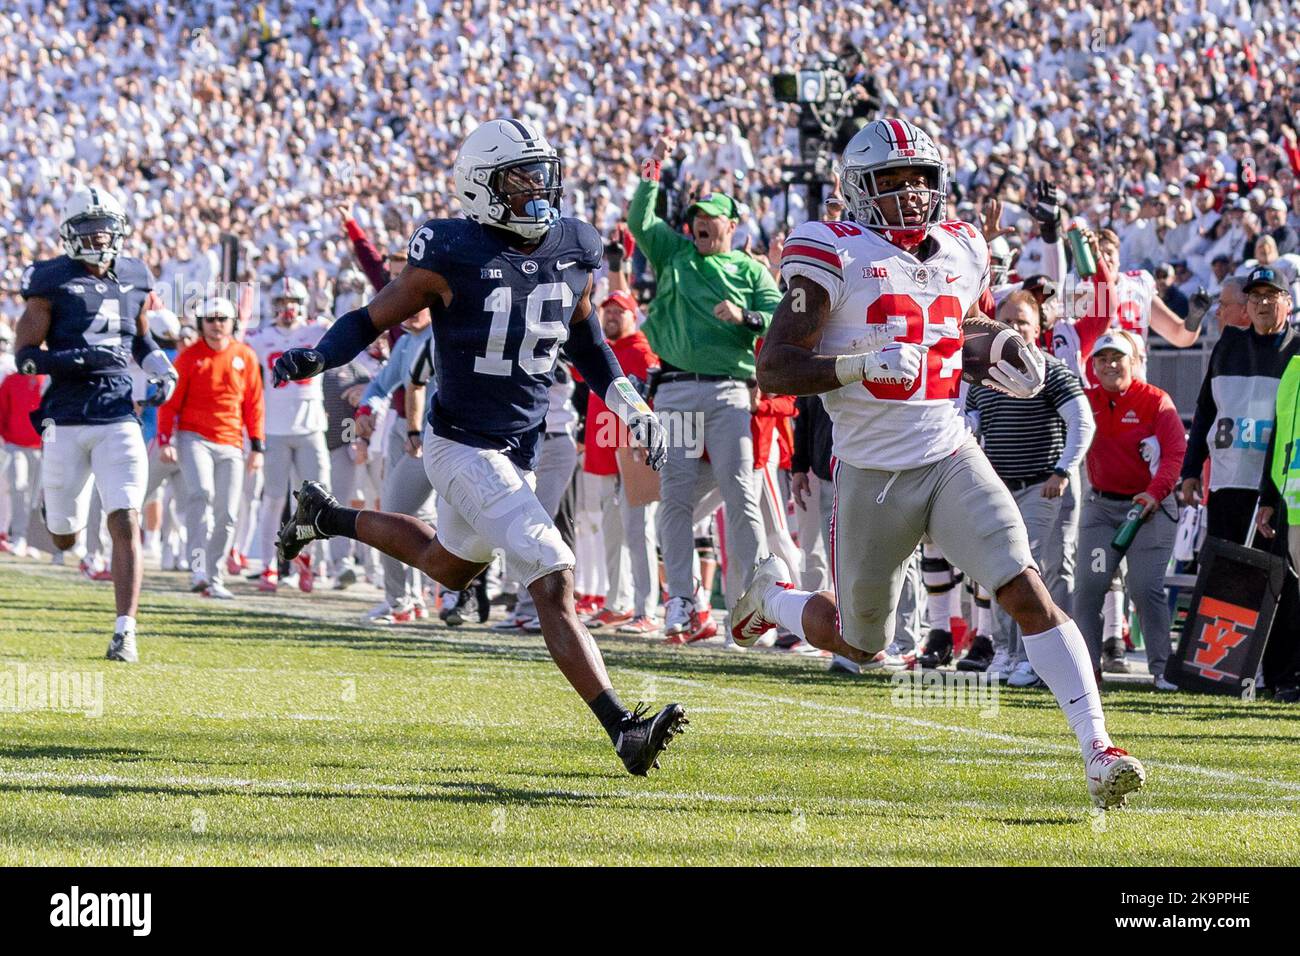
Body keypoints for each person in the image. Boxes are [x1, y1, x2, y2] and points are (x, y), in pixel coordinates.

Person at [734, 117, 1144, 809]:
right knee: (861, 645)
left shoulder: (961, 246)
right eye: (892, 181)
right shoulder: (830, 248)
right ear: (857, 189)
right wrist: (859, 365)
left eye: (921, 178)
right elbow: (774, 368)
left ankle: (1099, 750)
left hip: (949, 451)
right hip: (871, 472)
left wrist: (1003, 345)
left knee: (1024, 586)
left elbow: (961, 322)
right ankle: (772, 598)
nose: (912, 193)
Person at [269, 118, 686, 776]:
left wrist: (633, 407)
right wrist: (318, 356)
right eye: (520, 178)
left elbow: (587, 345)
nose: (537, 188)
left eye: (541, 174)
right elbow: (370, 317)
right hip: (459, 442)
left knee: (448, 566)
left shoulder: (577, 243)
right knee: (554, 574)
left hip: (517, 446)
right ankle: (622, 728)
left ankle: (324, 516)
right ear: (481, 187)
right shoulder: (451, 249)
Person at [13, 186, 178, 662]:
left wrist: (162, 369)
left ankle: (126, 630)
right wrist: (79, 358)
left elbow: (141, 340)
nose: (99, 237)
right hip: (65, 416)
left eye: (105, 228)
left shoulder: (135, 275)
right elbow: (25, 358)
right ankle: (56, 512)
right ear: (69, 233)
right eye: (88, 228)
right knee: (63, 535)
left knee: (125, 516)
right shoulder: (50, 279)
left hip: (118, 414)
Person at [628, 131, 780, 640]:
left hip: (729, 393)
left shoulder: (749, 270)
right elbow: (640, 221)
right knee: (674, 496)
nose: (701, 225)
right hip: (674, 391)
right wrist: (653, 170)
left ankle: (755, 598)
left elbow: (780, 316)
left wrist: (747, 317)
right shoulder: (675, 254)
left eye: (711, 218)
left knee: (741, 493)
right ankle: (682, 601)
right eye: (697, 218)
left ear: (732, 225)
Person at [965, 290, 1095, 680]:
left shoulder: (1051, 370)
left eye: (1023, 321)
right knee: (1002, 568)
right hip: (1001, 487)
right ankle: (1006, 652)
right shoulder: (985, 376)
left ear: (1038, 329)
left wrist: (1063, 471)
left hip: (1044, 485)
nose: (1015, 327)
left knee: (1031, 568)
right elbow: (968, 424)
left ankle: (1033, 657)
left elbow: (1082, 421)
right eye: (1008, 321)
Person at [1074, 331, 1186, 687]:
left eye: (1117, 358)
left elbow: (1175, 454)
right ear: (1093, 366)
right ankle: (1087, 672)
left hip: (1148, 510)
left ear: (1134, 361)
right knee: (1089, 586)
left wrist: (1154, 493)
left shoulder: (1156, 401)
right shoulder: (1085, 400)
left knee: (1144, 586)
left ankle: (1162, 670)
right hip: (1102, 510)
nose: (1110, 365)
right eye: (1102, 359)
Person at [156, 295, 265, 599]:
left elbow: (254, 404)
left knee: (228, 512)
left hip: (232, 442)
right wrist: (165, 439)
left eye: (222, 319)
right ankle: (198, 569)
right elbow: (170, 403)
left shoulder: (245, 356)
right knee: (201, 495)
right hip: (194, 437)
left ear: (232, 322)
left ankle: (215, 575)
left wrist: (257, 446)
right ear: (201, 323)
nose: (216, 325)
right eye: (210, 319)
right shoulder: (189, 357)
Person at [572, 290, 661, 636]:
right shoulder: (603, 349)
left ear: (633, 316)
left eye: (618, 311)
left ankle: (647, 609)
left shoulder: (641, 350)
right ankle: (618, 602)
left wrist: (644, 440)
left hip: (632, 453)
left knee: (639, 533)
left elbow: (650, 398)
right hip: (605, 453)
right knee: (613, 534)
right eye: (606, 310)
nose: (610, 316)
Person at [246, 277, 331, 593]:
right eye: (282, 303)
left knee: (317, 500)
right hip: (275, 429)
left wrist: (328, 305)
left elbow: (348, 329)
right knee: (272, 499)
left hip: (311, 428)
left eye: (292, 302)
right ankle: (268, 564)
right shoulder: (262, 337)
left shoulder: (317, 330)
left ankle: (309, 562)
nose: (288, 308)